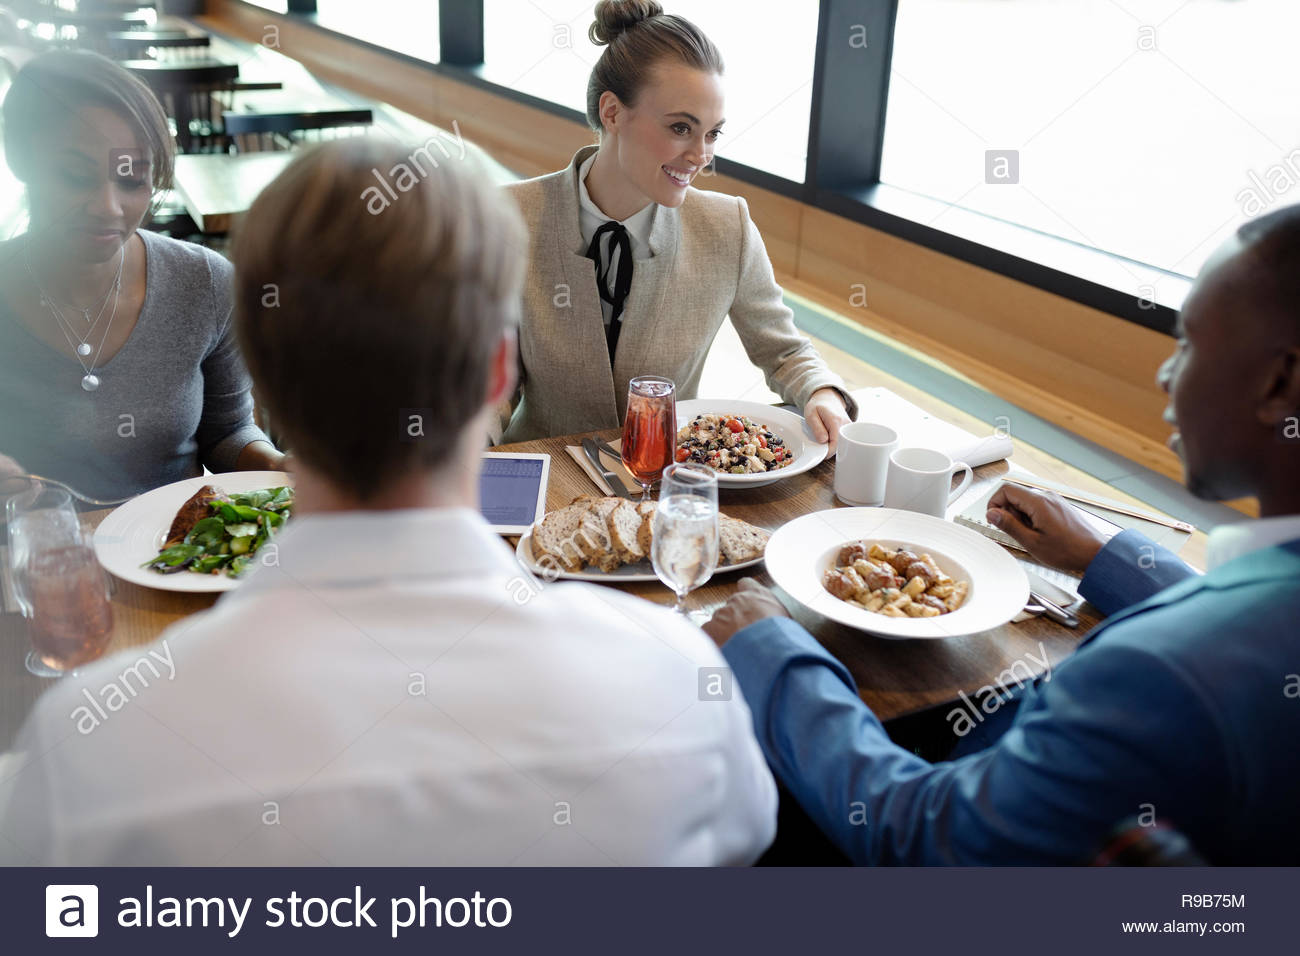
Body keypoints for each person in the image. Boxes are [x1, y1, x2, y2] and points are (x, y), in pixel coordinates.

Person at [0, 139, 777, 866]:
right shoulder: (678, 688)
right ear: (499, 372)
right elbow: (746, 843)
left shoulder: (90, 754)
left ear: (263, 385)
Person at [702, 205, 1300, 864]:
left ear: (1279, 382)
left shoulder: (1160, 670)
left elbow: (928, 838)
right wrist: (1108, 556)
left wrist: (772, 657)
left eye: (1189, 342)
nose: (1165, 372)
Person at [500, 0, 856, 447]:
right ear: (612, 113)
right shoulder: (508, 218)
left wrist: (822, 393)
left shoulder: (728, 227)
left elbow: (785, 352)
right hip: (545, 474)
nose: (701, 155)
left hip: (664, 481)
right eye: (681, 128)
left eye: (712, 133)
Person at [0, 51, 281, 501]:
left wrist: (278, 467)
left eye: (132, 182)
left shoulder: (206, 284)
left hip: (174, 555)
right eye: (76, 177)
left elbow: (227, 432)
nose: (108, 208)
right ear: (21, 160)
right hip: (39, 556)